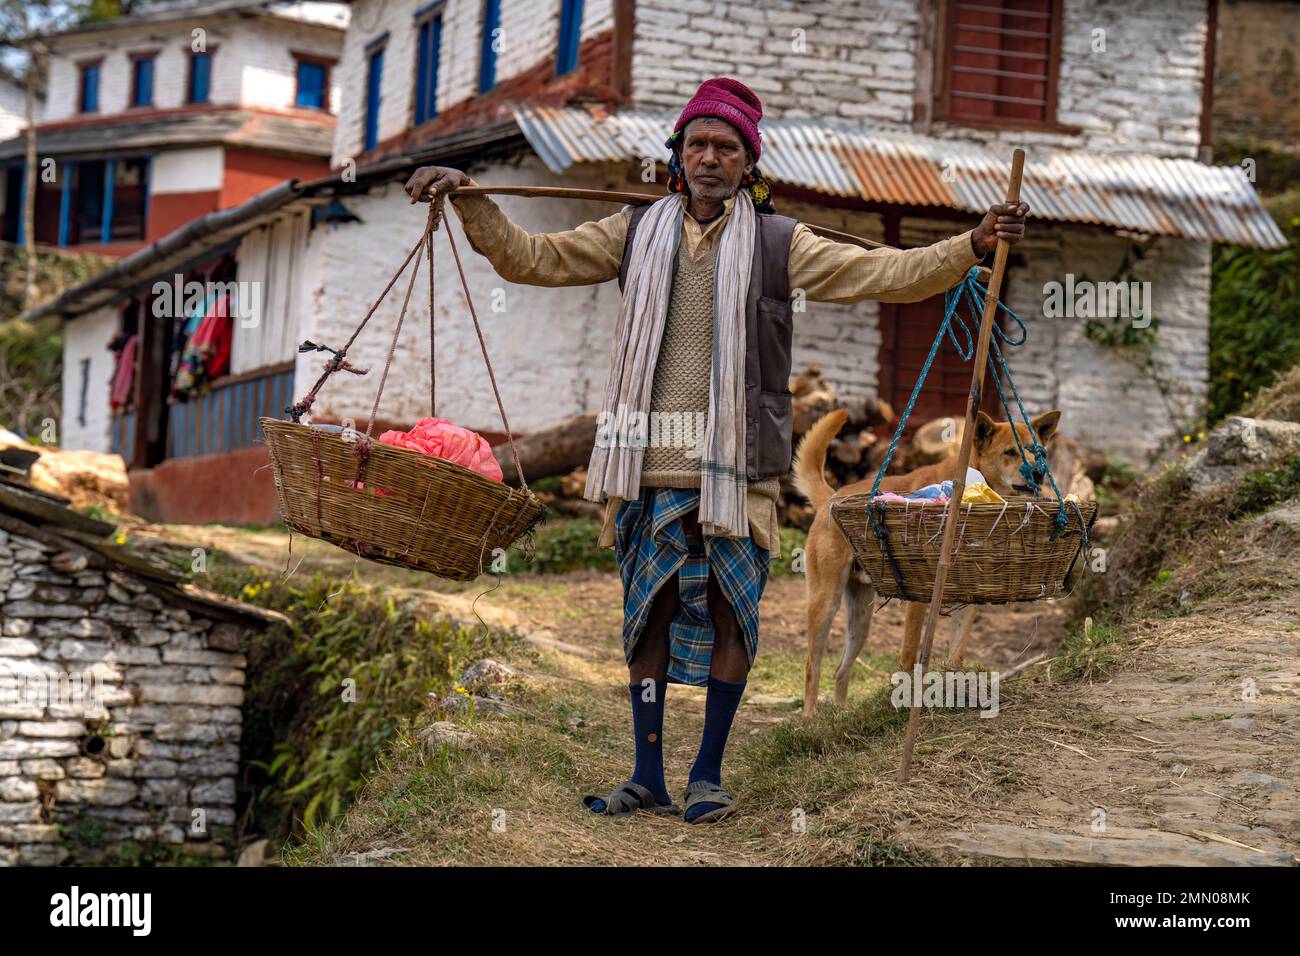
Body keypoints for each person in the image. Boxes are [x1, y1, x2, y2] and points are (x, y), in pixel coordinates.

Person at [405, 76, 1028, 824]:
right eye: (697, 143)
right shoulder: (633, 233)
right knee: (650, 618)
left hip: (741, 469)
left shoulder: (777, 242)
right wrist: (470, 199)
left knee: (734, 614)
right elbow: (530, 258)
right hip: (648, 462)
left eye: (725, 147)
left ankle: (706, 775)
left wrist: (970, 244)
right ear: (678, 156)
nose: (709, 156)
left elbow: (883, 274)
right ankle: (646, 775)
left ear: (747, 163)